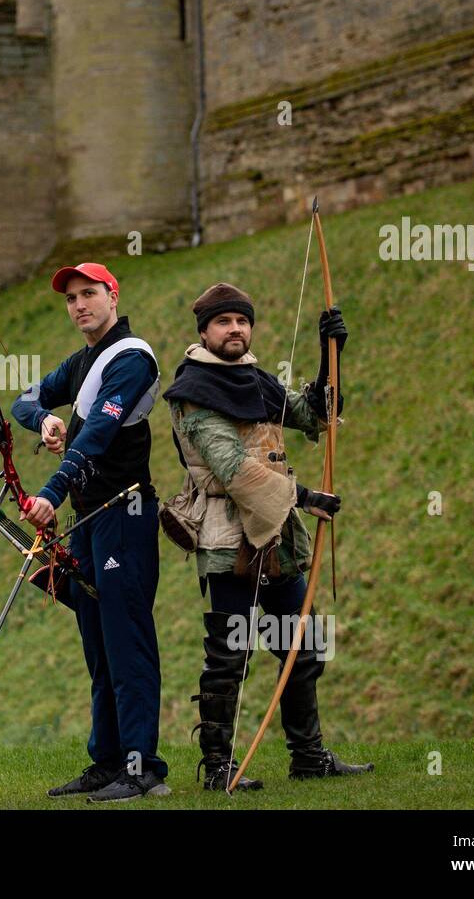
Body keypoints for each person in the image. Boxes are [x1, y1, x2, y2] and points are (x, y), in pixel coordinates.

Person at [162, 281, 373, 790]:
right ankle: (217, 769)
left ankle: (309, 757)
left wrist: (330, 358)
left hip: (274, 538)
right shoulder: (193, 391)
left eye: (241, 321)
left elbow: (313, 416)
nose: (235, 329)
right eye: (223, 322)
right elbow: (230, 470)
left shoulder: (256, 379)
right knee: (230, 655)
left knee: (303, 645)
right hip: (225, 540)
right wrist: (306, 498)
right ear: (204, 331)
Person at [11, 262, 168, 802]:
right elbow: (24, 400)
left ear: (112, 296)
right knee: (97, 645)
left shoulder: (131, 359)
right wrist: (45, 422)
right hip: (89, 523)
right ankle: (106, 761)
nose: (79, 304)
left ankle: (142, 765)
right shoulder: (78, 364)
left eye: (89, 294)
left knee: (127, 642)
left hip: (125, 514)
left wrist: (50, 493)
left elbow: (99, 432)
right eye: (72, 297)